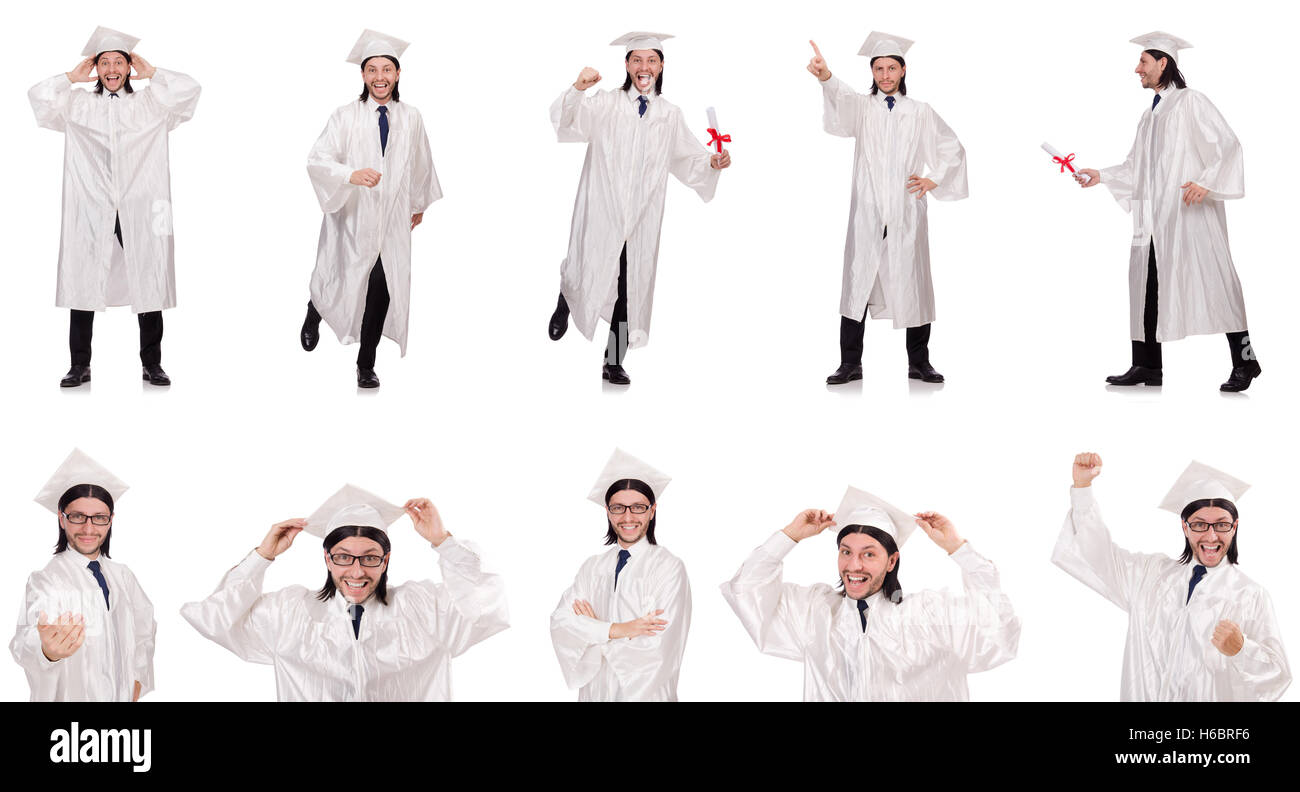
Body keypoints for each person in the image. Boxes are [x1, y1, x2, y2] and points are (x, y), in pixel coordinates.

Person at [181, 485, 508, 701]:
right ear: (327, 558)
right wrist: (262, 556)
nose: (356, 571)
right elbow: (215, 619)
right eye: (343, 557)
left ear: (385, 560)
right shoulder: (291, 614)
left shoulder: (423, 609)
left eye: (369, 557)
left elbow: (486, 605)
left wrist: (442, 541)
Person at [1072, 33, 1261, 392]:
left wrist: (1207, 182)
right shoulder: (1149, 116)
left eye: (1143, 62)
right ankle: (1146, 366)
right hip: (1154, 221)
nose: (1136, 69)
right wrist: (1101, 176)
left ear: (1163, 63)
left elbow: (1227, 145)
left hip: (1189, 216)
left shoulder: (1190, 102)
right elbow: (1136, 168)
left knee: (1217, 283)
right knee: (1146, 287)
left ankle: (1246, 361)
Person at [545, 32, 731, 385]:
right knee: (585, 261)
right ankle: (565, 299)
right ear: (627, 65)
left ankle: (613, 361)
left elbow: (688, 156)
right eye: (637, 60)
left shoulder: (669, 115)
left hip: (642, 216)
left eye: (651, 60)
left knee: (631, 287)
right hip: (603, 205)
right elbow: (567, 122)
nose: (644, 67)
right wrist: (578, 88)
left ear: (661, 66)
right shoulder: (606, 104)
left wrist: (713, 163)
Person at [721, 486, 1019, 700]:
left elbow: (995, 627)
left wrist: (957, 547)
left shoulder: (929, 616)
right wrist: (790, 535)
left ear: (892, 561)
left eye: (869, 555)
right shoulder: (816, 613)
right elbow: (747, 591)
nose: (854, 565)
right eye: (846, 551)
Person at [31, 26, 200, 388]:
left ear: (128, 68)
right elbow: (38, 99)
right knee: (82, 278)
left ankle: (152, 363)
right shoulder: (77, 104)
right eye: (104, 62)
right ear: (96, 68)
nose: (111, 69)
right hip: (90, 204)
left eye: (118, 62)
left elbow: (190, 91)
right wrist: (69, 78)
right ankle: (79, 365)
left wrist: (153, 73)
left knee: (150, 277)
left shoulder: (151, 103)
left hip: (144, 204)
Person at [1053, 454, 1290, 700]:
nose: (1211, 537)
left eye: (1221, 524)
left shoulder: (1250, 595)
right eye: (1199, 524)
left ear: (1235, 526)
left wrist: (1242, 650)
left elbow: (1278, 676)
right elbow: (1096, 555)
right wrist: (1082, 488)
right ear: (1185, 526)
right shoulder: (1149, 575)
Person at [809, 33, 967, 385]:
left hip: (906, 209)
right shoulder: (864, 108)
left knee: (914, 281)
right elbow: (842, 98)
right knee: (857, 281)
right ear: (873, 71)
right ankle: (850, 363)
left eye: (891, 68)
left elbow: (952, 147)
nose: (885, 75)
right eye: (878, 68)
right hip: (868, 208)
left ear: (903, 69)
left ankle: (919, 362)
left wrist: (934, 179)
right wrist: (825, 76)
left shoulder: (920, 111)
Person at [299, 30, 442, 389]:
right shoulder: (345, 116)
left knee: (383, 286)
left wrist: (419, 203)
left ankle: (366, 363)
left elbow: (421, 163)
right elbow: (317, 159)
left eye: (387, 70)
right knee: (343, 278)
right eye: (373, 70)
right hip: (353, 217)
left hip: (392, 220)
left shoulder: (411, 117)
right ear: (363, 75)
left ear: (397, 74)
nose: (380, 77)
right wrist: (351, 174)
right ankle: (316, 306)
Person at [10, 449, 155, 701]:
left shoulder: (123, 576)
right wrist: (46, 650)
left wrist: (138, 680)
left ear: (110, 520)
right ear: (62, 518)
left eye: (98, 518)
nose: (88, 528)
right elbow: (23, 642)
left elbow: (145, 630)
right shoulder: (47, 580)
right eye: (77, 516)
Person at [550, 449, 691, 700]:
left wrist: (595, 631)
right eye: (618, 507)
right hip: (595, 694)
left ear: (652, 509)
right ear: (608, 511)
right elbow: (561, 622)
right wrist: (621, 629)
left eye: (638, 507)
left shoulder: (668, 568)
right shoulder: (592, 568)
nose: (628, 517)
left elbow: (658, 649)